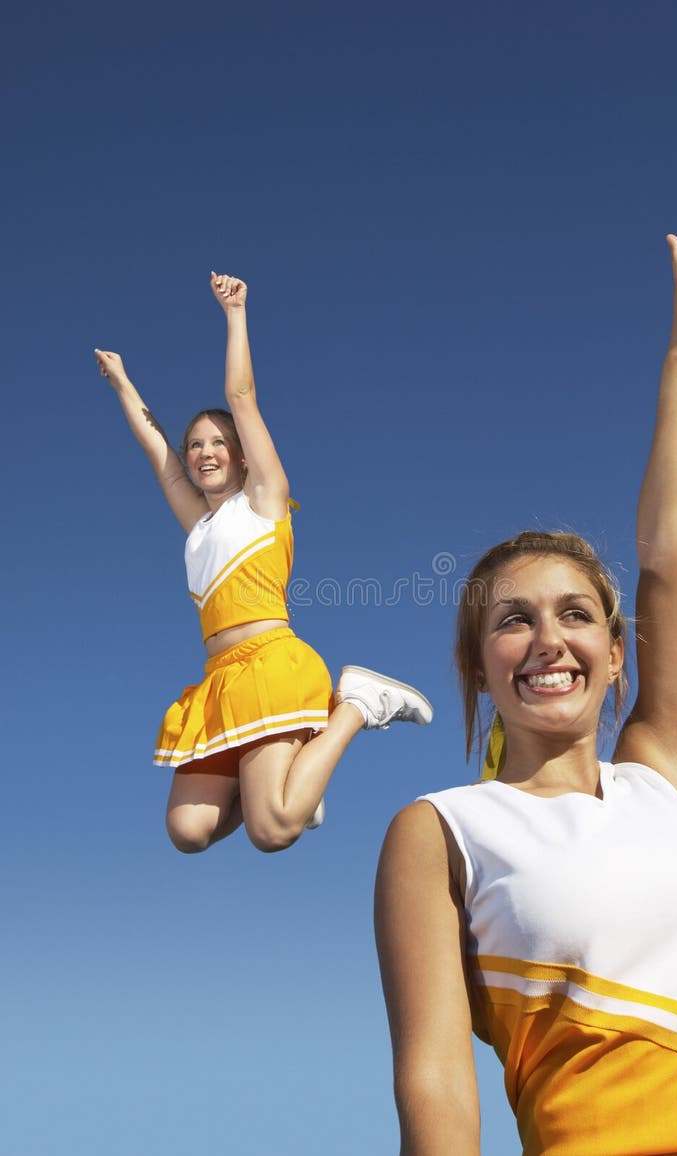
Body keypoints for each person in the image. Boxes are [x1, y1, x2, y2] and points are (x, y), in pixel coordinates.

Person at [374, 236, 677, 1154]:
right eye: (513, 620)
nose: (549, 640)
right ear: (477, 667)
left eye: (576, 615)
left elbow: (670, 560)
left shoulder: (666, 778)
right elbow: (435, 1080)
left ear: (617, 653)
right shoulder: (442, 829)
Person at [96, 271, 432, 854]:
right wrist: (123, 383)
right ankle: (290, 776)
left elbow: (241, 397)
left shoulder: (265, 501)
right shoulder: (197, 524)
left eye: (217, 442)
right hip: (220, 679)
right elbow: (156, 451)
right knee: (188, 832)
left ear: (244, 457)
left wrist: (235, 314)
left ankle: (356, 704)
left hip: (273, 665)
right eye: (195, 444)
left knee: (272, 830)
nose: (203, 452)